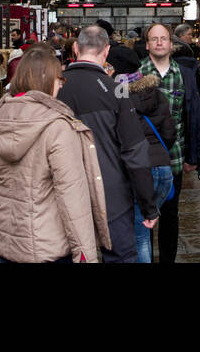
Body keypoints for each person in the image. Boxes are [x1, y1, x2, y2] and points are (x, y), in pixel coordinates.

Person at [0, 46, 112, 262]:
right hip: (48, 245)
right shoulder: (58, 126)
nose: (60, 85)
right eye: (59, 78)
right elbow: (72, 197)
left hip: (8, 241)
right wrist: (85, 255)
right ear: (46, 79)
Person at [57, 25, 158, 262]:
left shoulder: (55, 89)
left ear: (75, 48)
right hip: (112, 197)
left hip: (64, 195)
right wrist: (148, 205)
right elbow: (135, 151)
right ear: (107, 51)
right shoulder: (117, 91)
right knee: (120, 256)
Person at [139, 22, 200, 264]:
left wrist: (194, 156)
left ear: (171, 44)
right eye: (154, 38)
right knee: (144, 214)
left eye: (163, 38)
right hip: (143, 159)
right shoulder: (135, 77)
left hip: (174, 157)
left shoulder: (185, 75)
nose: (159, 42)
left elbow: (194, 115)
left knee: (170, 214)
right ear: (147, 45)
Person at [119, 70, 175, 263]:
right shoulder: (158, 95)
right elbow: (169, 133)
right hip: (164, 168)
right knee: (147, 223)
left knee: (140, 234)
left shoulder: (121, 100)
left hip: (141, 170)